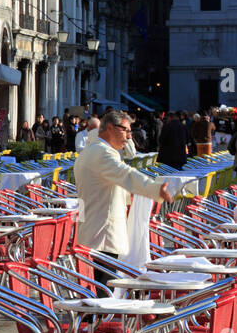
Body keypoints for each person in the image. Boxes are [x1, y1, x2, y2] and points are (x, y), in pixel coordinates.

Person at [74, 111, 172, 260]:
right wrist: (155, 189)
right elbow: (127, 174)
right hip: (103, 235)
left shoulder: (91, 150)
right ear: (110, 128)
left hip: (93, 231)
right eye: (126, 130)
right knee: (104, 281)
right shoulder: (102, 152)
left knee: (98, 281)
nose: (129, 136)